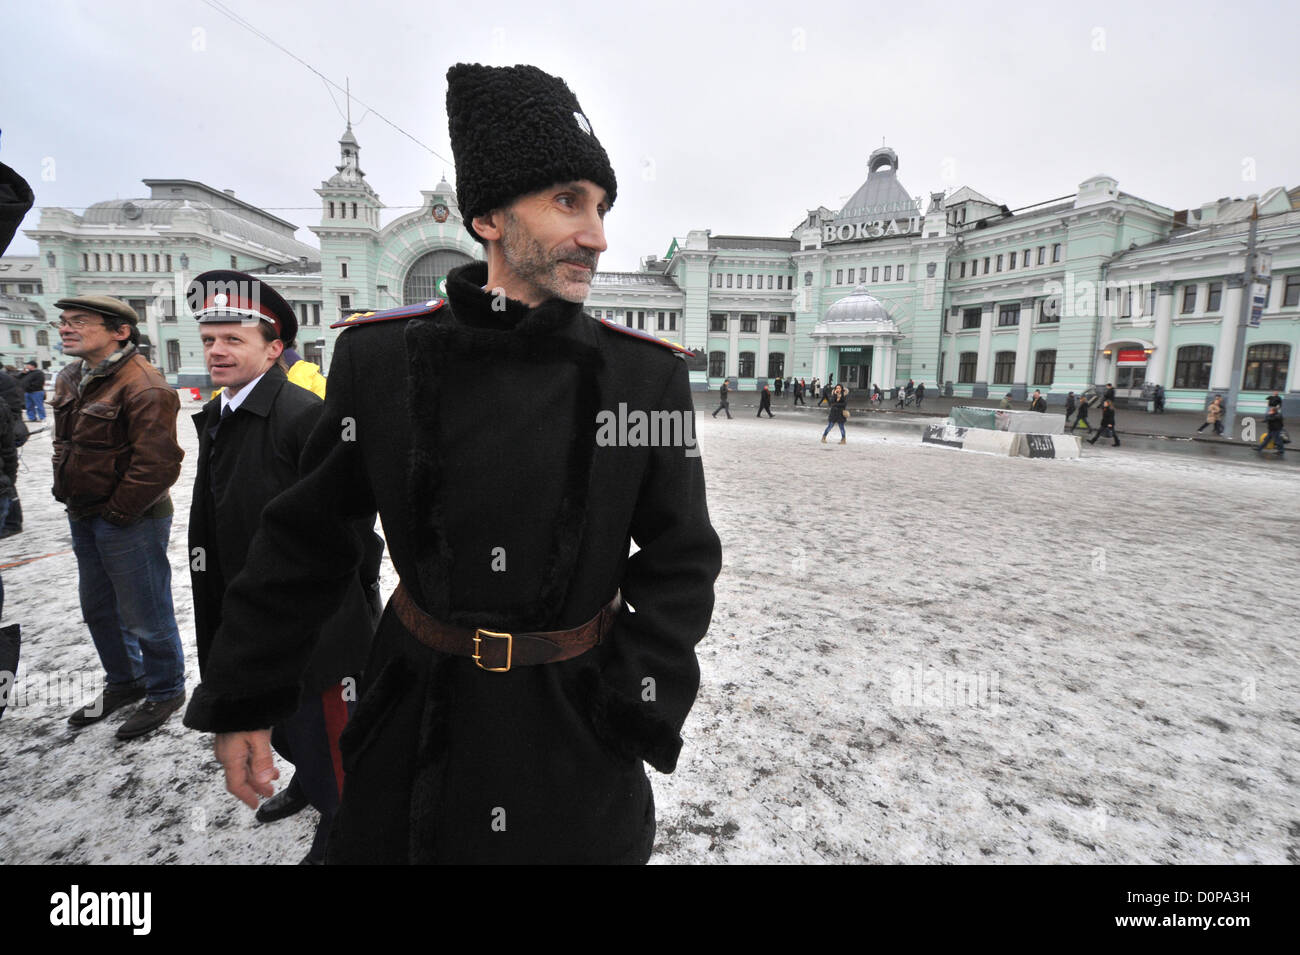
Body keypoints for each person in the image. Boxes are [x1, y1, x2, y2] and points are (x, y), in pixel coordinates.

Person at [183, 63, 723, 865]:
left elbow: (681, 560)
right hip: (414, 722)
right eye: (568, 201)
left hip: (574, 739)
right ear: (490, 215)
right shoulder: (379, 361)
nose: (598, 235)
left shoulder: (643, 377)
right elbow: (307, 540)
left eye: (602, 206)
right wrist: (243, 695)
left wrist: (632, 699)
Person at [186, 270, 384, 863]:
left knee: (335, 754)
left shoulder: (302, 417)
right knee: (295, 735)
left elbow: (351, 535)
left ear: (274, 350)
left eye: (234, 339)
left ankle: (341, 834)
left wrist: (339, 623)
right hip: (257, 629)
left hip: (314, 640)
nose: (218, 350)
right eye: (210, 339)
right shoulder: (223, 413)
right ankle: (309, 786)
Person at [51, 295, 187, 739]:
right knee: (99, 609)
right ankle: (125, 681)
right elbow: (68, 445)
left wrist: (118, 513)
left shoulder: (145, 384)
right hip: (84, 513)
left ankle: (165, 689)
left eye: (79, 322)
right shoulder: (72, 376)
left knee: (146, 611)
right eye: (64, 322)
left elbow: (159, 464)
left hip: (131, 518)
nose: (66, 329)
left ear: (120, 331)